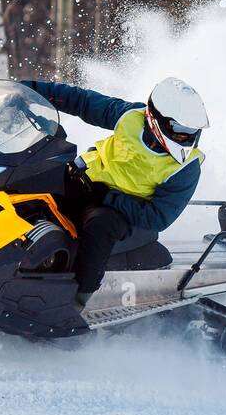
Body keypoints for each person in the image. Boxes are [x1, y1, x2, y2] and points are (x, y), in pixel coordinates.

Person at [18, 76, 208, 308]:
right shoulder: (130, 117)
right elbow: (83, 101)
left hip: (116, 210)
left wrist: (108, 198)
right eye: (179, 131)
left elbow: (158, 217)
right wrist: (29, 91)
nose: (186, 138)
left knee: (100, 227)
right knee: (24, 179)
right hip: (80, 180)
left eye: (191, 132)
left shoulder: (187, 168)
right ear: (156, 118)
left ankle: (75, 303)